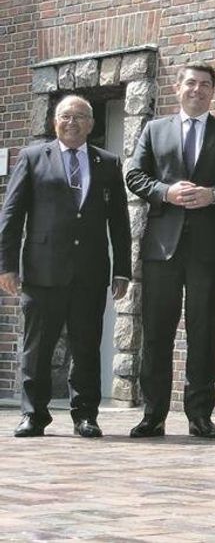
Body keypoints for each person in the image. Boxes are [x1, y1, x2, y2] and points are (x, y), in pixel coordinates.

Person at [126, 62, 215, 439]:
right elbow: (135, 176)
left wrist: (213, 195)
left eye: (205, 85)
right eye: (190, 83)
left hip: (207, 249)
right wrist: (166, 191)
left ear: (212, 92)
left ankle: (200, 415)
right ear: (178, 88)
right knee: (156, 334)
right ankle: (153, 415)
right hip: (162, 248)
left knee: (202, 333)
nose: (197, 90)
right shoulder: (155, 129)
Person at [0, 95, 131, 438]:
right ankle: (33, 415)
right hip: (42, 271)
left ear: (92, 124)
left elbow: (120, 220)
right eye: (65, 116)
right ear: (54, 122)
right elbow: (11, 216)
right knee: (37, 347)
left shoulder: (108, 163)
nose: (72, 122)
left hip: (89, 271)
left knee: (86, 346)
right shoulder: (32, 158)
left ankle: (85, 415)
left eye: (80, 117)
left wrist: (123, 269)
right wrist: (6, 265)